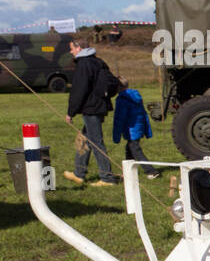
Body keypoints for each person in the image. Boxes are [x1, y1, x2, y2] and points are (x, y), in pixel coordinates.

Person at [63, 39, 118, 186]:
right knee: (84, 139)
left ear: (79, 47)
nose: (71, 52)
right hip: (99, 106)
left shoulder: (84, 64)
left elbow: (79, 90)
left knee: (96, 142)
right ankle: (79, 173)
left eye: (72, 48)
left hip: (92, 108)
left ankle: (107, 178)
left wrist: (71, 112)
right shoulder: (97, 61)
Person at [112, 79, 160, 179]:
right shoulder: (135, 96)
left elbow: (119, 118)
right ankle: (128, 172)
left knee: (135, 149)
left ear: (118, 87)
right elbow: (143, 113)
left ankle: (151, 171)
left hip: (131, 129)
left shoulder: (122, 99)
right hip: (139, 126)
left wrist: (116, 136)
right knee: (129, 148)